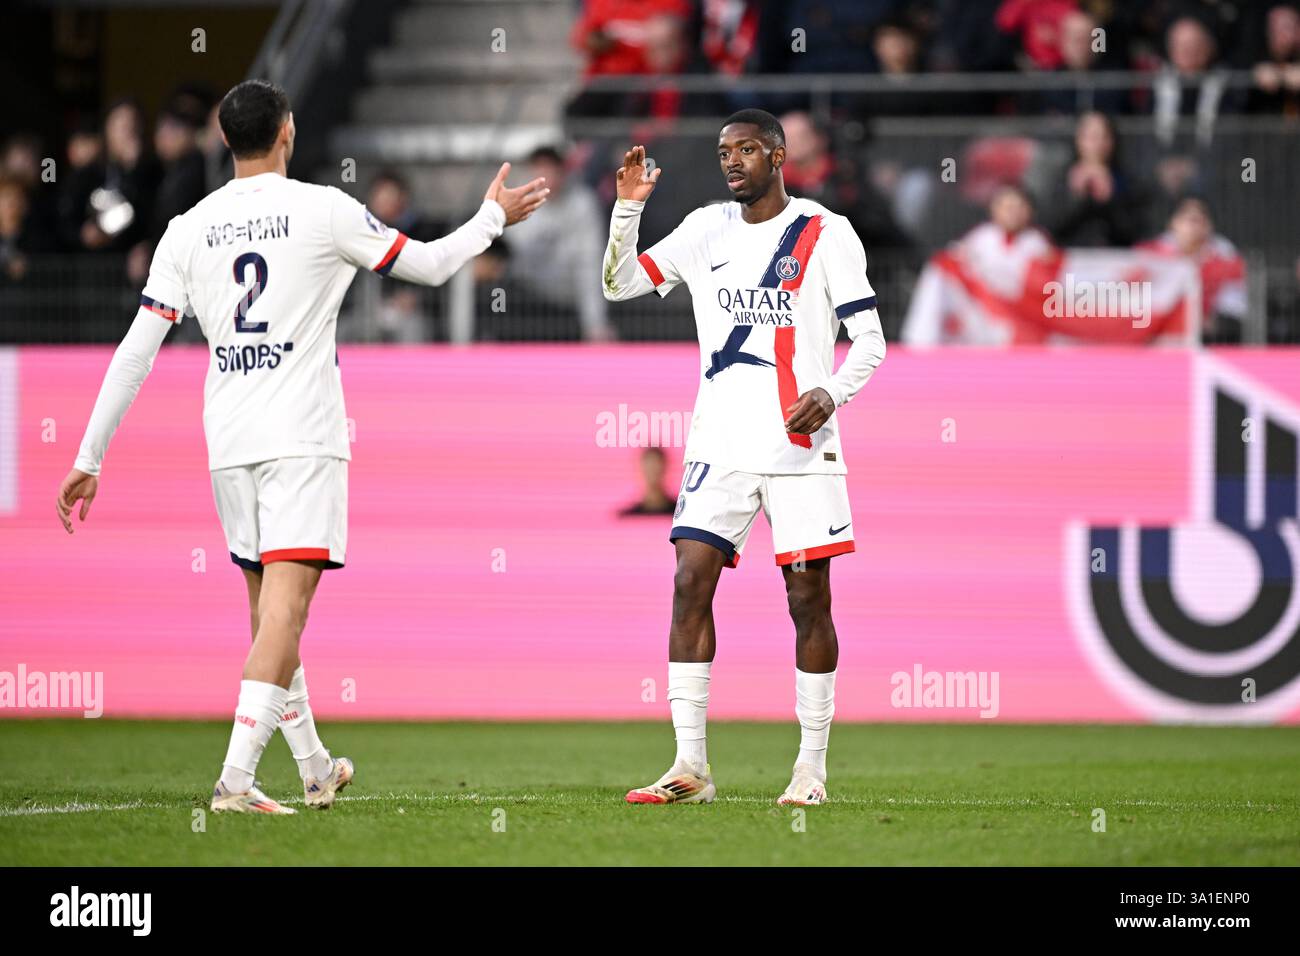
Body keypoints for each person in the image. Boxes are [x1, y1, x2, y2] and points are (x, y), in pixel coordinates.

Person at [55, 79, 548, 814]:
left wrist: (88, 455)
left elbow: (137, 349)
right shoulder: (324, 210)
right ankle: (236, 782)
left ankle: (315, 767)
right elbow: (435, 265)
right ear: (286, 130)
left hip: (229, 441)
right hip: (302, 437)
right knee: (285, 616)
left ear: (224, 141)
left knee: (268, 618)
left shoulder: (188, 227)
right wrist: (490, 217)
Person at [602, 110, 886, 806]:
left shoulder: (825, 232)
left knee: (807, 600)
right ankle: (690, 766)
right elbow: (618, 285)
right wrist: (626, 210)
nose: (732, 162)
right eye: (724, 151)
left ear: (779, 156)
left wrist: (831, 391)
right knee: (688, 581)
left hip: (799, 448)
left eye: (747, 150)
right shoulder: (706, 230)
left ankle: (810, 770)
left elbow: (872, 341)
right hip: (720, 446)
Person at [619, 447, 677, 516]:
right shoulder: (628, 516)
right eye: (649, 466)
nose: (652, 471)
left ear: (664, 468)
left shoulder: (678, 513)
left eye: (656, 465)